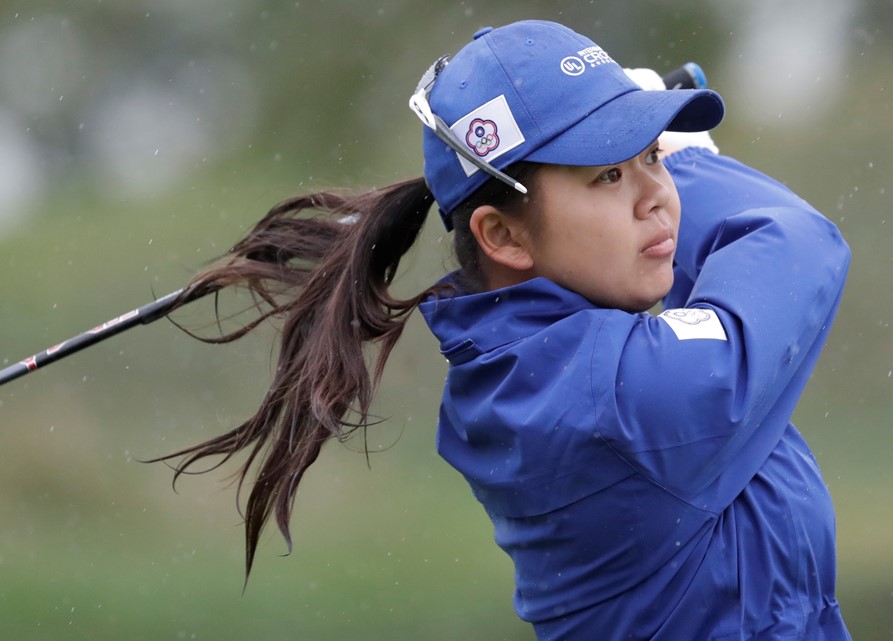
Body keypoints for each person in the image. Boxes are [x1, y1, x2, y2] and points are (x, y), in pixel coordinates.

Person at [158, 19, 853, 640]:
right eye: (609, 173)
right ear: (503, 235)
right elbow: (795, 246)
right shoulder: (609, 399)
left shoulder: (538, 365)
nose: (657, 196)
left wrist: (643, 162)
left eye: (651, 159)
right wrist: (695, 164)